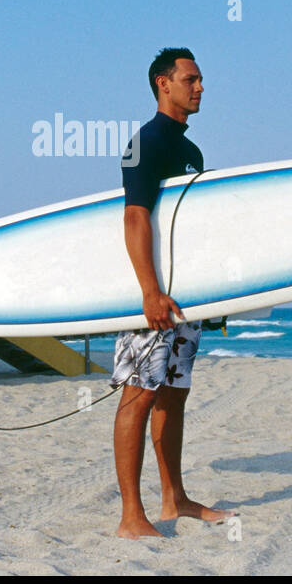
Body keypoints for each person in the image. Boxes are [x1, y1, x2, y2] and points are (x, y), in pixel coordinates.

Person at [111, 47, 234, 539]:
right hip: (155, 294)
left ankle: (174, 498)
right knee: (138, 394)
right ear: (164, 83)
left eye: (201, 79)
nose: (200, 86)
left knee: (173, 394)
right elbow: (135, 215)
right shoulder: (147, 142)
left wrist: (214, 298)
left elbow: (191, 229)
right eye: (191, 78)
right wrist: (149, 291)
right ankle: (130, 516)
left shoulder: (191, 151)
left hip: (185, 297)